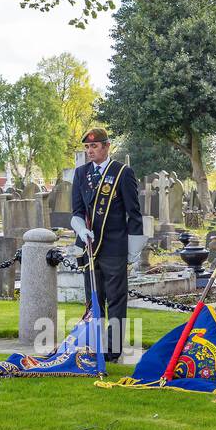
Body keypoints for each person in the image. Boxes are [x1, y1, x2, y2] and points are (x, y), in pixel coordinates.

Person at [69, 128, 144, 362]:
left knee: (116, 300)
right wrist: (81, 229)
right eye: (87, 148)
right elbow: (77, 211)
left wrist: (133, 252)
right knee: (93, 300)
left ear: (107, 146)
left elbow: (134, 214)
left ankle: (112, 351)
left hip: (114, 248)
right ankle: (94, 344)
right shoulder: (81, 174)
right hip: (89, 248)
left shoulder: (122, 172)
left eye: (95, 146)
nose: (90, 151)